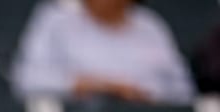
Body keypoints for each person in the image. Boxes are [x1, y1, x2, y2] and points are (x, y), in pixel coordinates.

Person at [11, 0, 196, 104]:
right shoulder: (56, 18)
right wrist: (92, 86)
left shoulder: (151, 26)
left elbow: (183, 92)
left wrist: (143, 94)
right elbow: (26, 79)